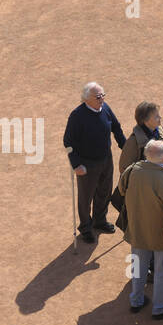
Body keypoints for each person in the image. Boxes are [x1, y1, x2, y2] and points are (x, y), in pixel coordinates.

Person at [118, 139, 163, 319]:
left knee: (137, 266)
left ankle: (135, 300)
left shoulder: (133, 170)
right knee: (161, 270)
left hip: (137, 229)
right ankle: (160, 308)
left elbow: (121, 189)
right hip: (161, 234)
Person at [64, 81, 126, 242]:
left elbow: (116, 128)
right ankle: (85, 227)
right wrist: (76, 164)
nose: (102, 99)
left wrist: (125, 147)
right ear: (86, 99)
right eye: (98, 96)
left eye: (103, 95)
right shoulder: (77, 116)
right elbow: (68, 142)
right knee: (86, 197)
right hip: (86, 164)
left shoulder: (105, 109)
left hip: (106, 159)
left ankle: (100, 220)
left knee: (104, 191)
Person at [119, 101, 163, 174]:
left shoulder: (160, 132)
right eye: (156, 116)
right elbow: (124, 168)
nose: (160, 117)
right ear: (146, 121)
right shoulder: (134, 142)